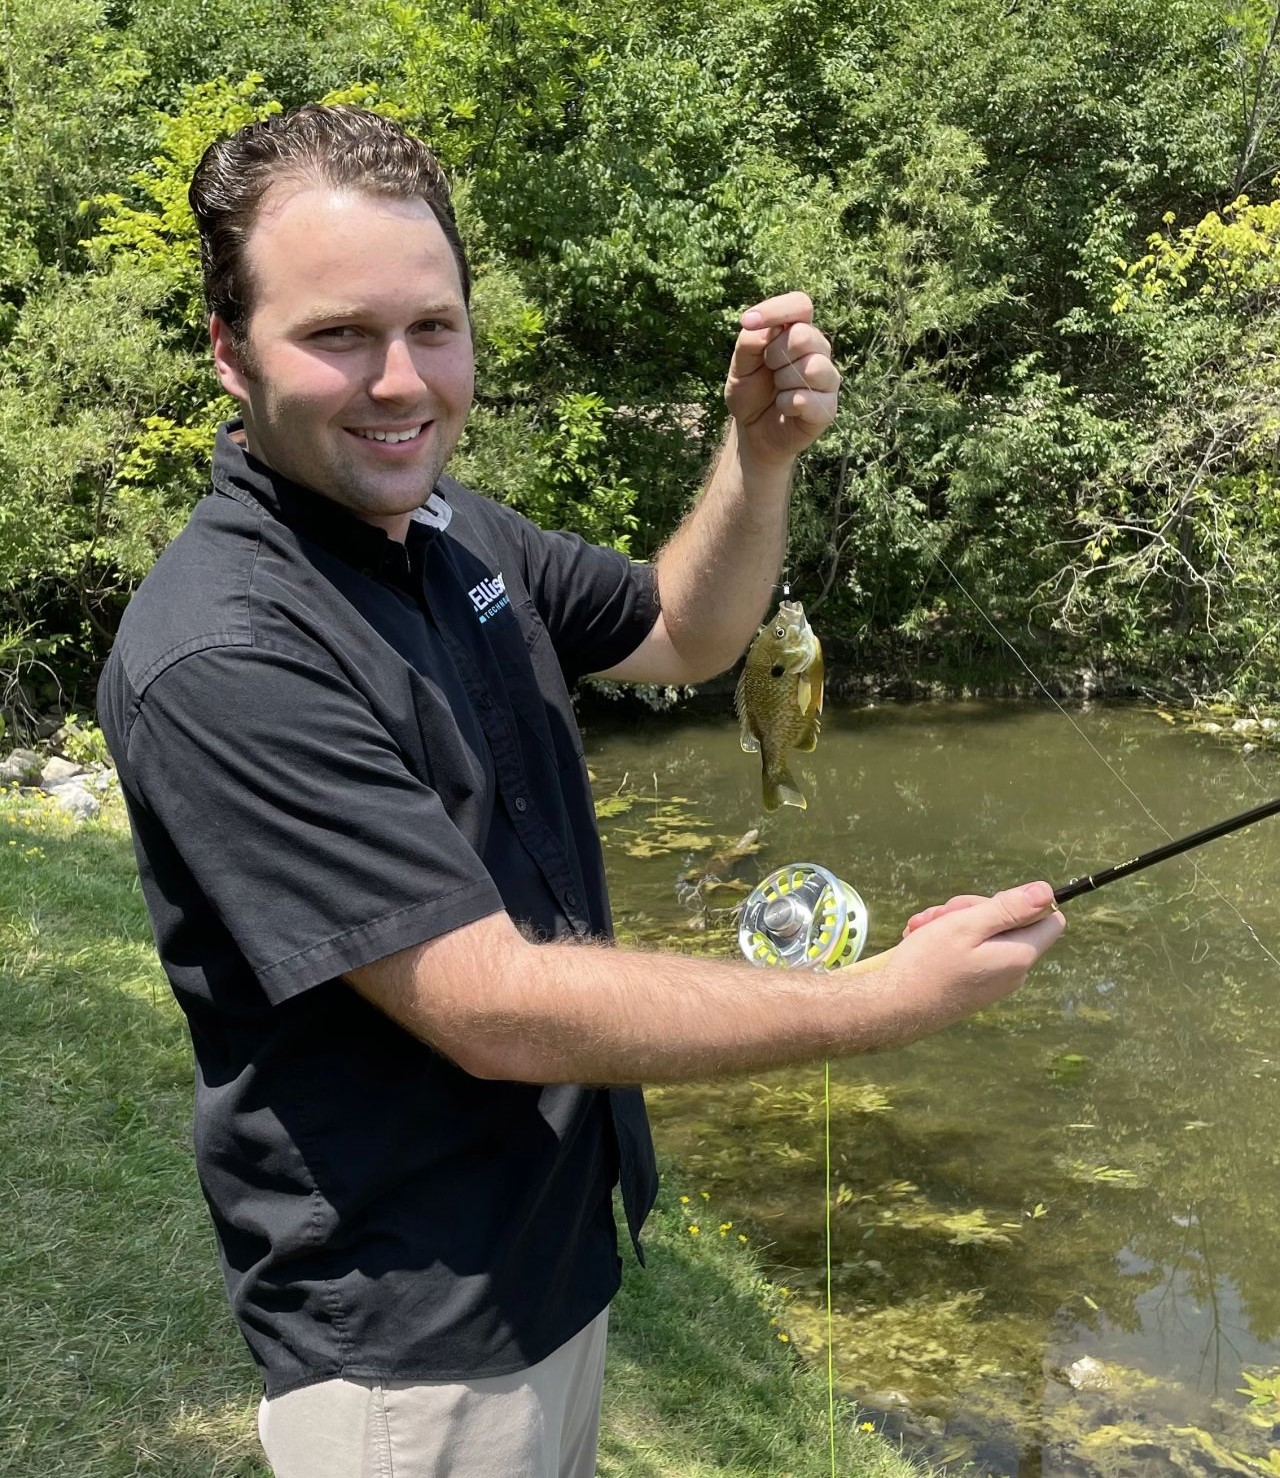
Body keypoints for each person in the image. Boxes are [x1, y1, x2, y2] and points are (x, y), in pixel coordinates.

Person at [97, 103, 1065, 1478]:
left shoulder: (448, 527)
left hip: (549, 1259)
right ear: (229, 354)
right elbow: (489, 1004)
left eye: (433, 327)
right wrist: (875, 1001)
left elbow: (687, 630)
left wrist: (761, 452)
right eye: (338, 335)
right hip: (409, 1343)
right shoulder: (228, 651)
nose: (400, 380)